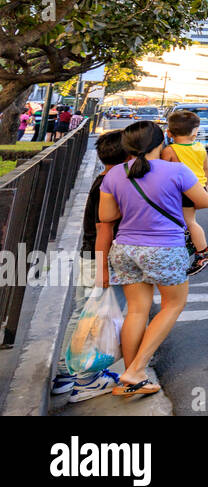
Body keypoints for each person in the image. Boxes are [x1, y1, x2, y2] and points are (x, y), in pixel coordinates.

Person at [98, 121, 208, 398]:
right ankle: (135, 370)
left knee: (136, 311)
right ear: (161, 143)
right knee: (173, 305)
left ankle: (130, 379)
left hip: (124, 250)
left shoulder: (114, 175)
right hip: (164, 250)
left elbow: (107, 216)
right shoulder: (176, 170)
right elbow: (204, 201)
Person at [51, 131, 128, 403]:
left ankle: (66, 374)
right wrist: (104, 270)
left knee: (84, 314)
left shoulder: (102, 180)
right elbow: (103, 228)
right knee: (96, 318)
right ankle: (87, 378)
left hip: (91, 256)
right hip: (100, 257)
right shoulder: (111, 185)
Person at [160, 110, 208, 275]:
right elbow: (205, 168)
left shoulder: (170, 151)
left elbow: (162, 174)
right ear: (195, 132)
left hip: (183, 190)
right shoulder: (200, 147)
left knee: (190, 221)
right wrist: (206, 186)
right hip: (198, 188)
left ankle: (204, 252)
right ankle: (192, 243)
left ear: (169, 133)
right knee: (188, 221)